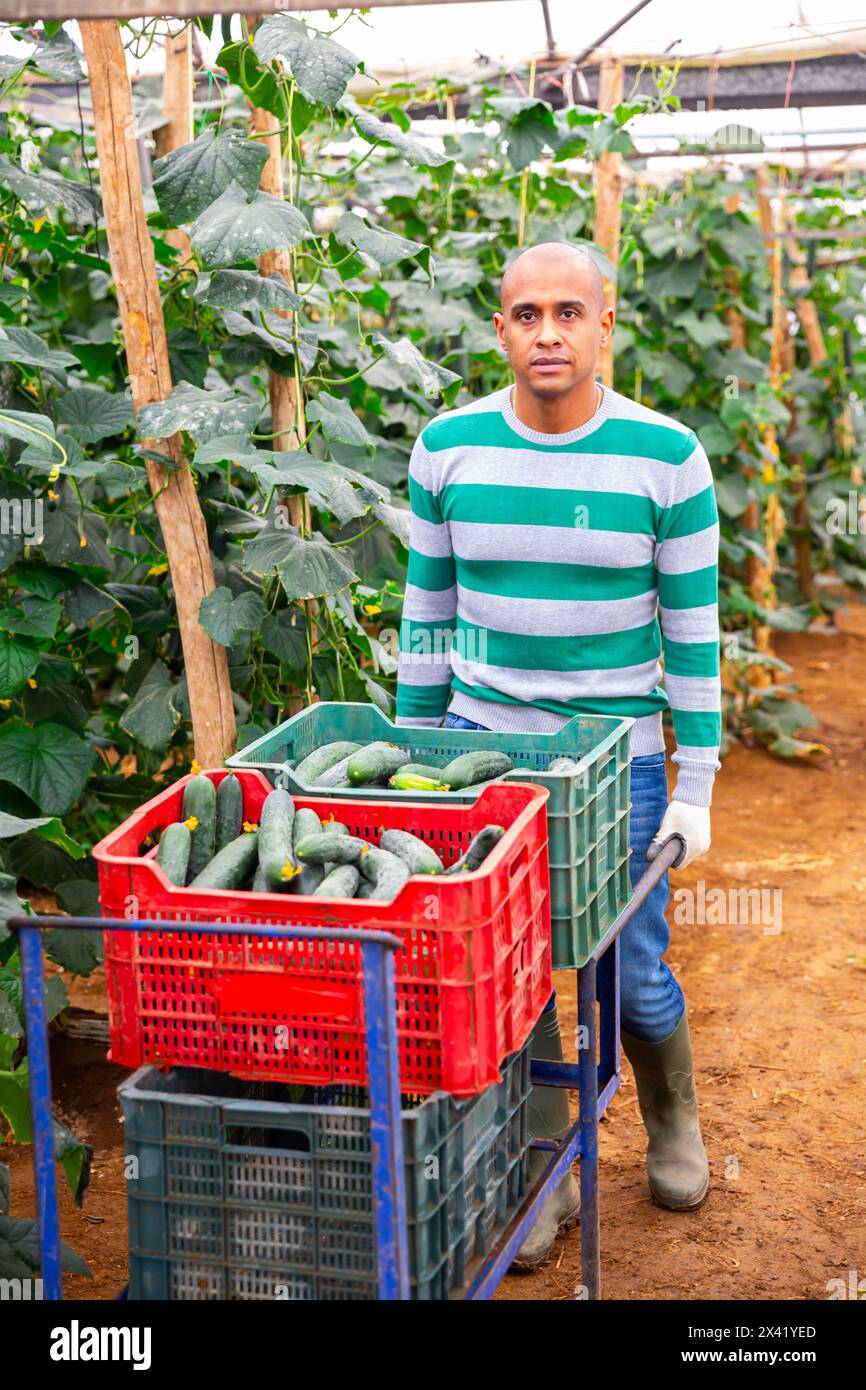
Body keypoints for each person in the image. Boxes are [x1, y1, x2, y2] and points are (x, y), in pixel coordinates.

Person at [395, 241, 721, 1269]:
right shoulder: (448, 449)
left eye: (567, 313)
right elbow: (426, 617)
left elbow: (692, 629)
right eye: (526, 314)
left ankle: (670, 1116)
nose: (547, 332)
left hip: (612, 760)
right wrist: (411, 757)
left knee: (628, 969)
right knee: (510, 973)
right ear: (499, 329)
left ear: (603, 326)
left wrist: (694, 782)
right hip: (481, 758)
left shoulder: (663, 457)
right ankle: (547, 1159)